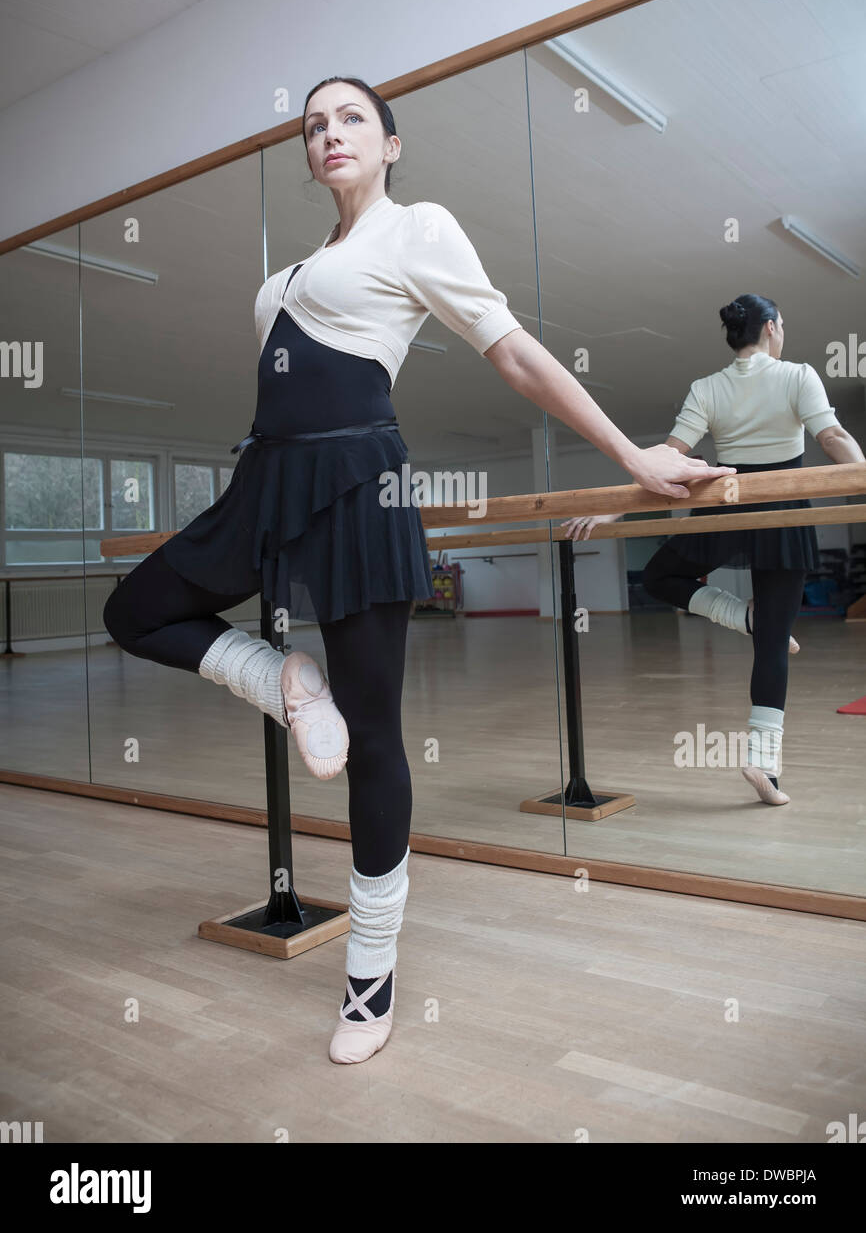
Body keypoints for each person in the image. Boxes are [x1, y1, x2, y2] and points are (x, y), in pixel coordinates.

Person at [103, 76, 735, 1065]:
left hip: (361, 485)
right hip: (267, 484)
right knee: (136, 608)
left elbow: (513, 352)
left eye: (350, 117)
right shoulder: (274, 285)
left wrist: (631, 456)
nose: (329, 133)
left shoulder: (417, 229)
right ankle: (280, 679)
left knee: (372, 741)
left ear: (389, 143)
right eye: (313, 124)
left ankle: (368, 974)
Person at [563, 294, 863, 806]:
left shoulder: (707, 387)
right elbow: (831, 435)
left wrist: (614, 508)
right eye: (782, 325)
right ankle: (763, 760)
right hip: (784, 508)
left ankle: (749, 621)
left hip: (729, 501)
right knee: (772, 642)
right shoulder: (798, 375)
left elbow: (664, 456)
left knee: (660, 577)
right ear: (770, 328)